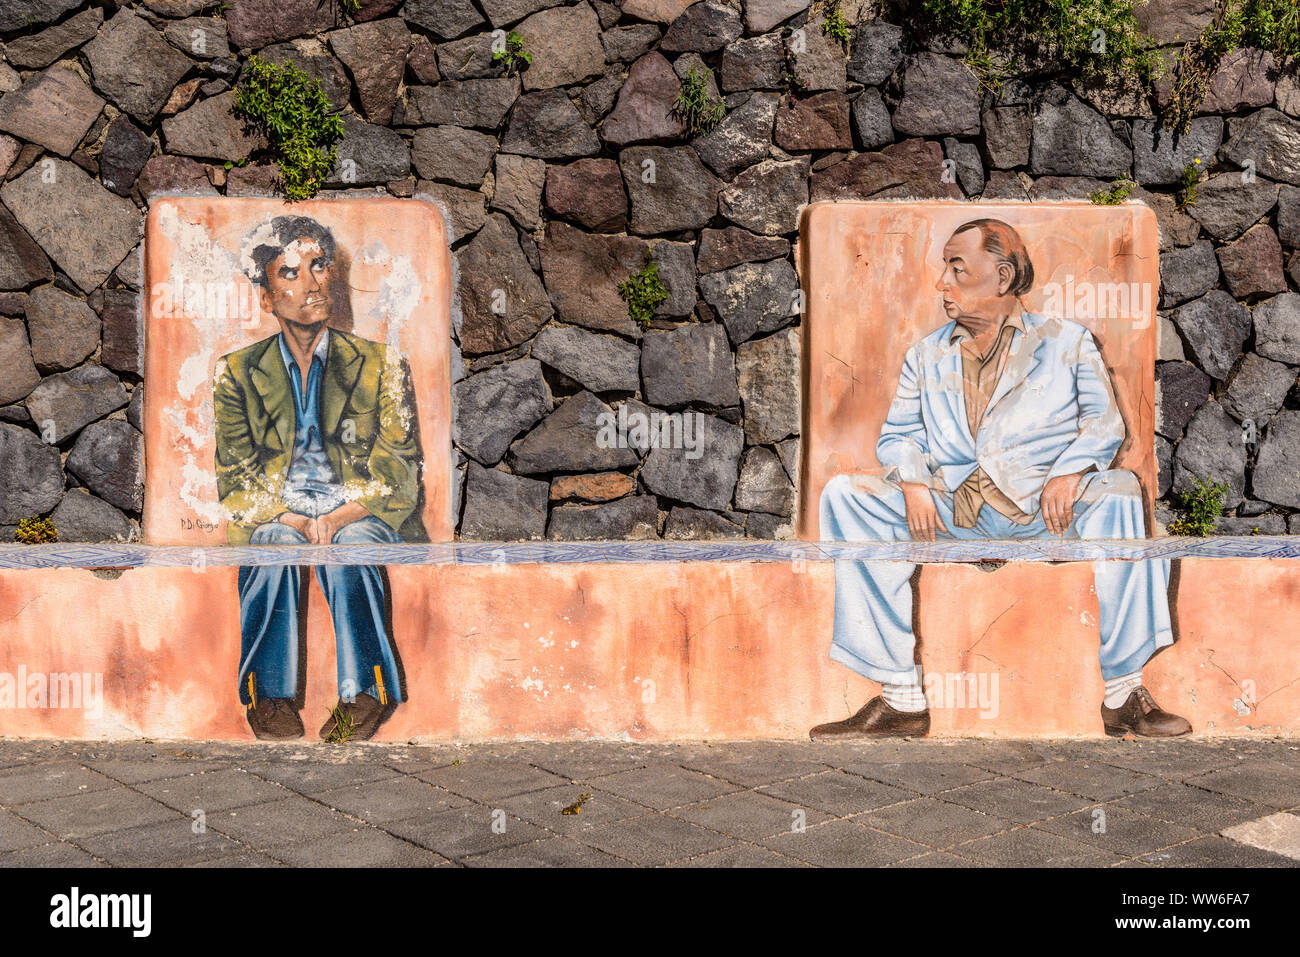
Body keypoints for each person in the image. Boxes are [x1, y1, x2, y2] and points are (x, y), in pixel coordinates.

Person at [812, 218, 1190, 740]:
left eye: (957, 267)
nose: (942, 281)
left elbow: (1105, 423)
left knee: (1121, 493)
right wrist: (915, 483)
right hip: (952, 515)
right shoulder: (925, 355)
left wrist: (1069, 472)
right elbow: (898, 435)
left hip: (1046, 515)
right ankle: (901, 699)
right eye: (944, 267)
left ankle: (1123, 695)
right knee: (846, 497)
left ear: (1003, 276)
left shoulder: (1067, 342)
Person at [214, 215, 422, 741]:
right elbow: (235, 476)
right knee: (270, 544)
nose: (310, 283)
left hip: (357, 508)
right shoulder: (235, 372)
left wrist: (339, 515)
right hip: (279, 510)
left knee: (351, 545)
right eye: (289, 273)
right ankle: (270, 697)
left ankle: (367, 693)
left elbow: (397, 471)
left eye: (319, 266)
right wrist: (292, 518)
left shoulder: (382, 365)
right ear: (266, 298)